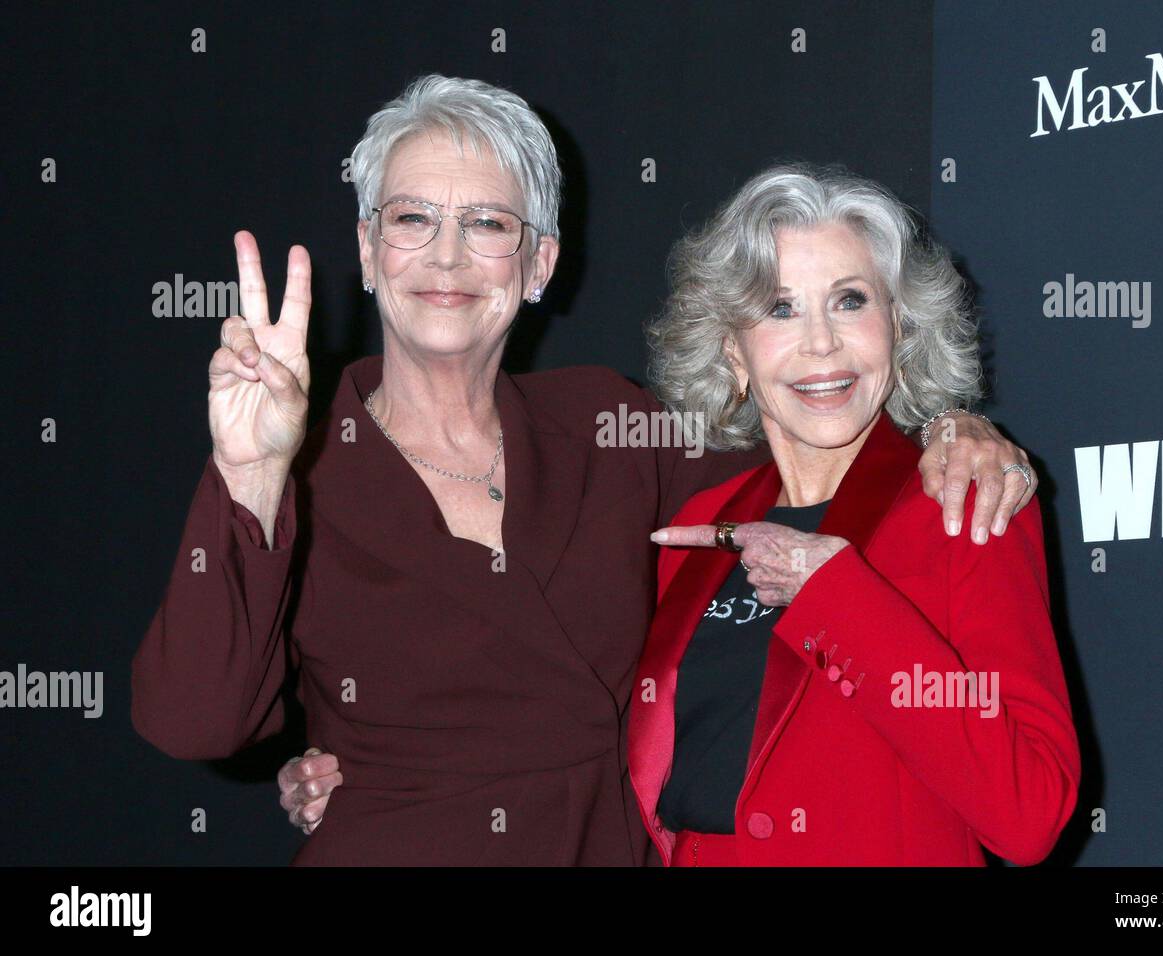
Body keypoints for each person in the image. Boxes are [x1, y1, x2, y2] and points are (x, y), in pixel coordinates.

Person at [130, 73, 1037, 865]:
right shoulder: (297, 460)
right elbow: (199, 722)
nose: (446, 256)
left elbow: (807, 421)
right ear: (368, 251)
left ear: (540, 264)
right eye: (412, 219)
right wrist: (249, 473)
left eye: (487, 223)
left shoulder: (608, 427)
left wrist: (951, 422)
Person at [630, 162, 1079, 865]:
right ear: (733, 352)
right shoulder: (701, 522)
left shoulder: (963, 502)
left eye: (849, 300)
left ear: (898, 329)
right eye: (779, 308)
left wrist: (838, 596)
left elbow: (1029, 814)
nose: (821, 342)